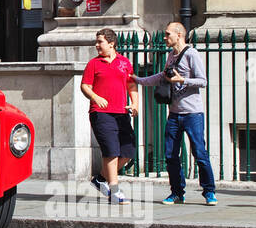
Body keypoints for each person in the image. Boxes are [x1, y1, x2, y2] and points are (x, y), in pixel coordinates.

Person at [132, 22, 216, 205]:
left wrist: (182, 79)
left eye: (168, 34)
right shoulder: (170, 56)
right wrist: (137, 79)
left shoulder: (192, 54)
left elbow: (203, 81)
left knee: (200, 153)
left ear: (179, 35)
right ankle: (177, 192)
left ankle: (209, 191)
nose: (164, 37)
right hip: (174, 114)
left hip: (193, 114)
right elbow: (162, 77)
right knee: (170, 155)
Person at [81, 28, 139, 203]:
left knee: (128, 151)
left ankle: (100, 179)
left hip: (121, 112)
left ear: (111, 43)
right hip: (101, 114)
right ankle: (115, 191)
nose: (97, 45)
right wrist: (95, 97)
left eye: (100, 42)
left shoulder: (124, 62)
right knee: (111, 151)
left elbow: (131, 85)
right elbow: (85, 86)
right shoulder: (94, 64)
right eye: (97, 42)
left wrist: (135, 103)